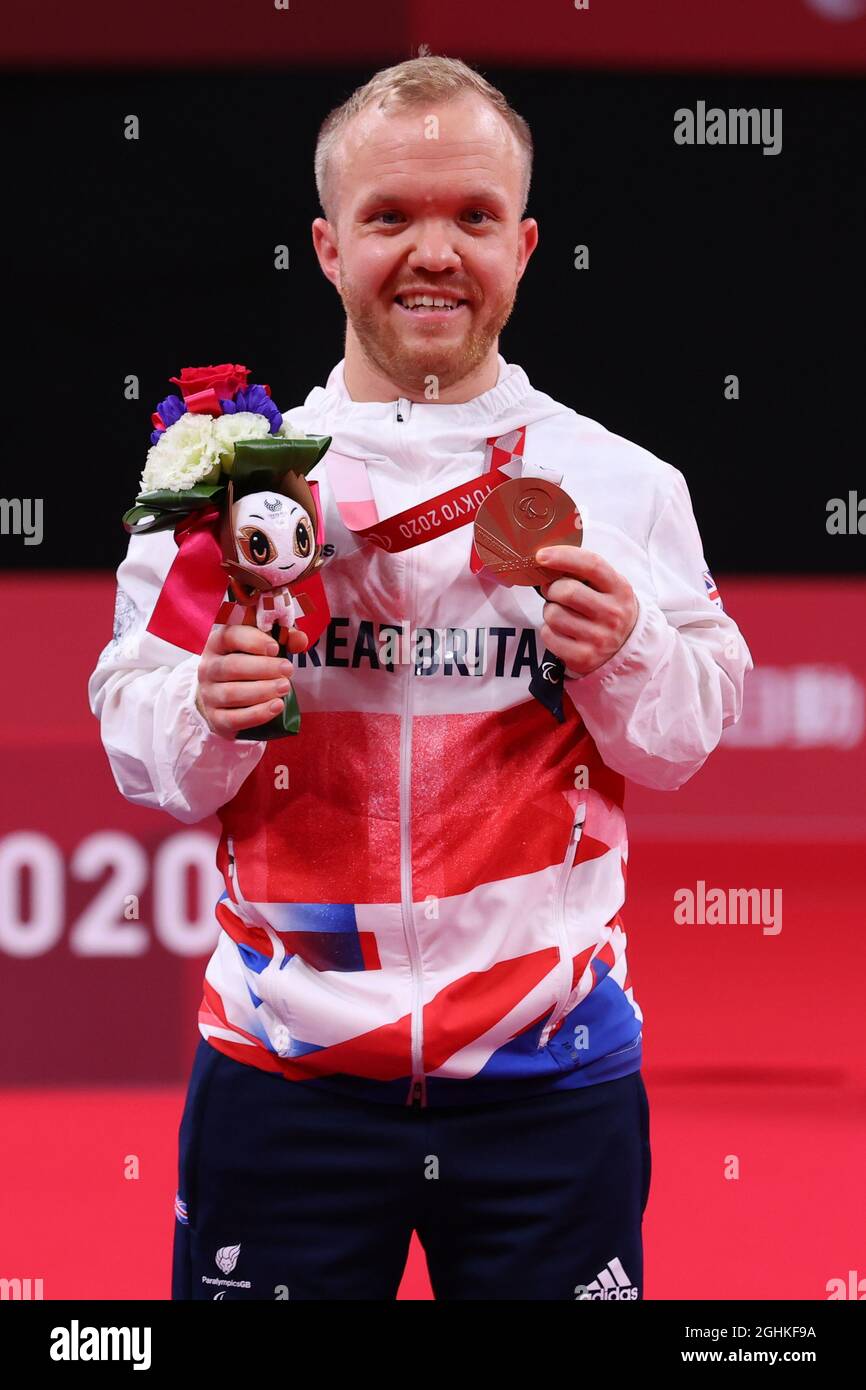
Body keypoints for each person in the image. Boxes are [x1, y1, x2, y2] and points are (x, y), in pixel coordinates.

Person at [89, 53, 753, 1301]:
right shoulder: (227, 481)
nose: (433, 251)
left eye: (472, 217)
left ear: (525, 242)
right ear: (329, 247)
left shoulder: (621, 483)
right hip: (281, 1078)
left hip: (548, 1082)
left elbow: (678, 742)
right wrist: (205, 705)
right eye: (391, 217)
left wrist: (630, 652)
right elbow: (147, 751)